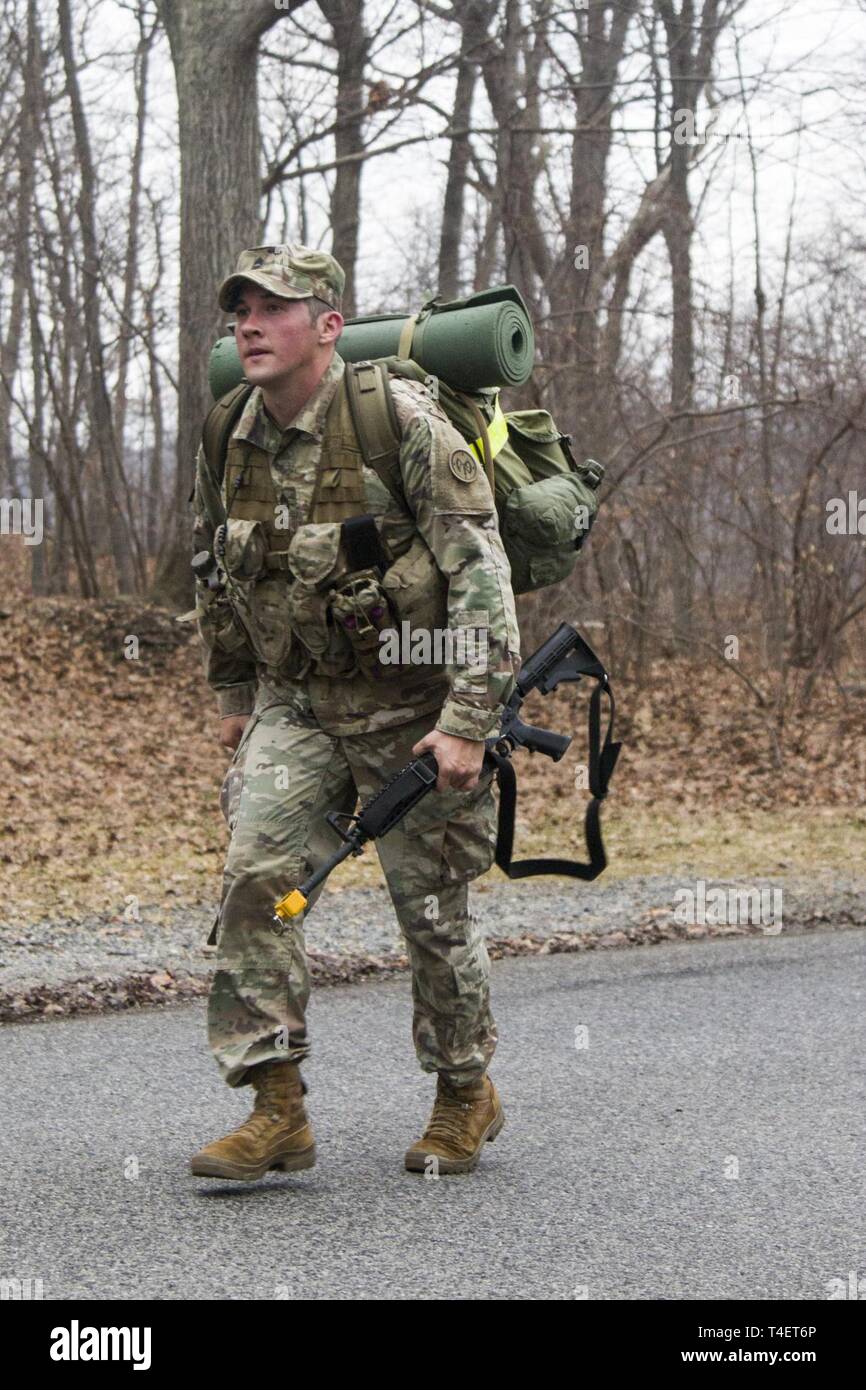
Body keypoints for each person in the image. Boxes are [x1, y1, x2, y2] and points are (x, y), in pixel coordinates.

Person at [188, 243, 521, 1181]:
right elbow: (212, 568)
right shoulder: (228, 434)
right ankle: (276, 1106)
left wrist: (468, 718)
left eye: (273, 308)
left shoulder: (400, 423)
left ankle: (464, 1092)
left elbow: (481, 575)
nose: (249, 324)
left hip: (414, 703)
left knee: (430, 908)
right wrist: (230, 693)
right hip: (298, 705)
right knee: (260, 876)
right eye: (240, 309)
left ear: (328, 327)